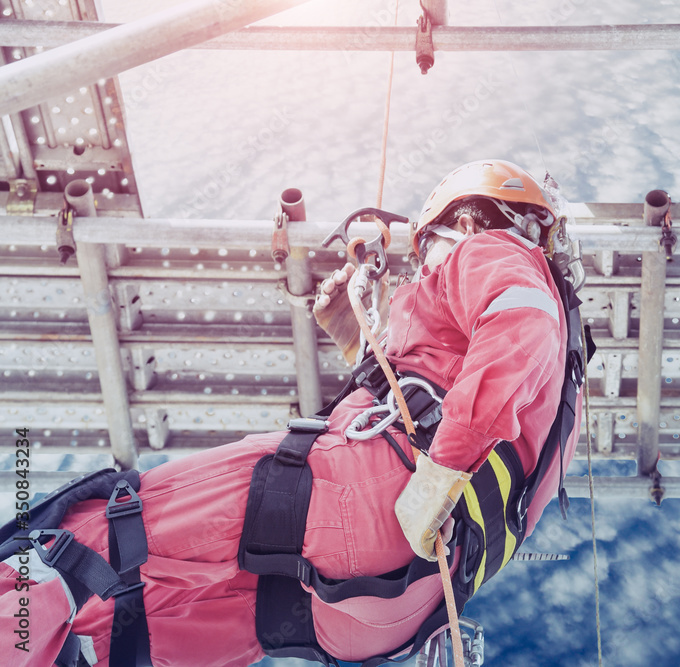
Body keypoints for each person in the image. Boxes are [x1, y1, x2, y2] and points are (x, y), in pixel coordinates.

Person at [0, 159, 584, 667]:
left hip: (366, 498)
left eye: (426, 249)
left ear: (465, 222)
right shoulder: (562, 402)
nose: (421, 270)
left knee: (88, 540)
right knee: (138, 627)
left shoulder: (493, 251)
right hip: (399, 601)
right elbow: (434, 391)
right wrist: (358, 340)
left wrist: (440, 472)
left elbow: (517, 328)